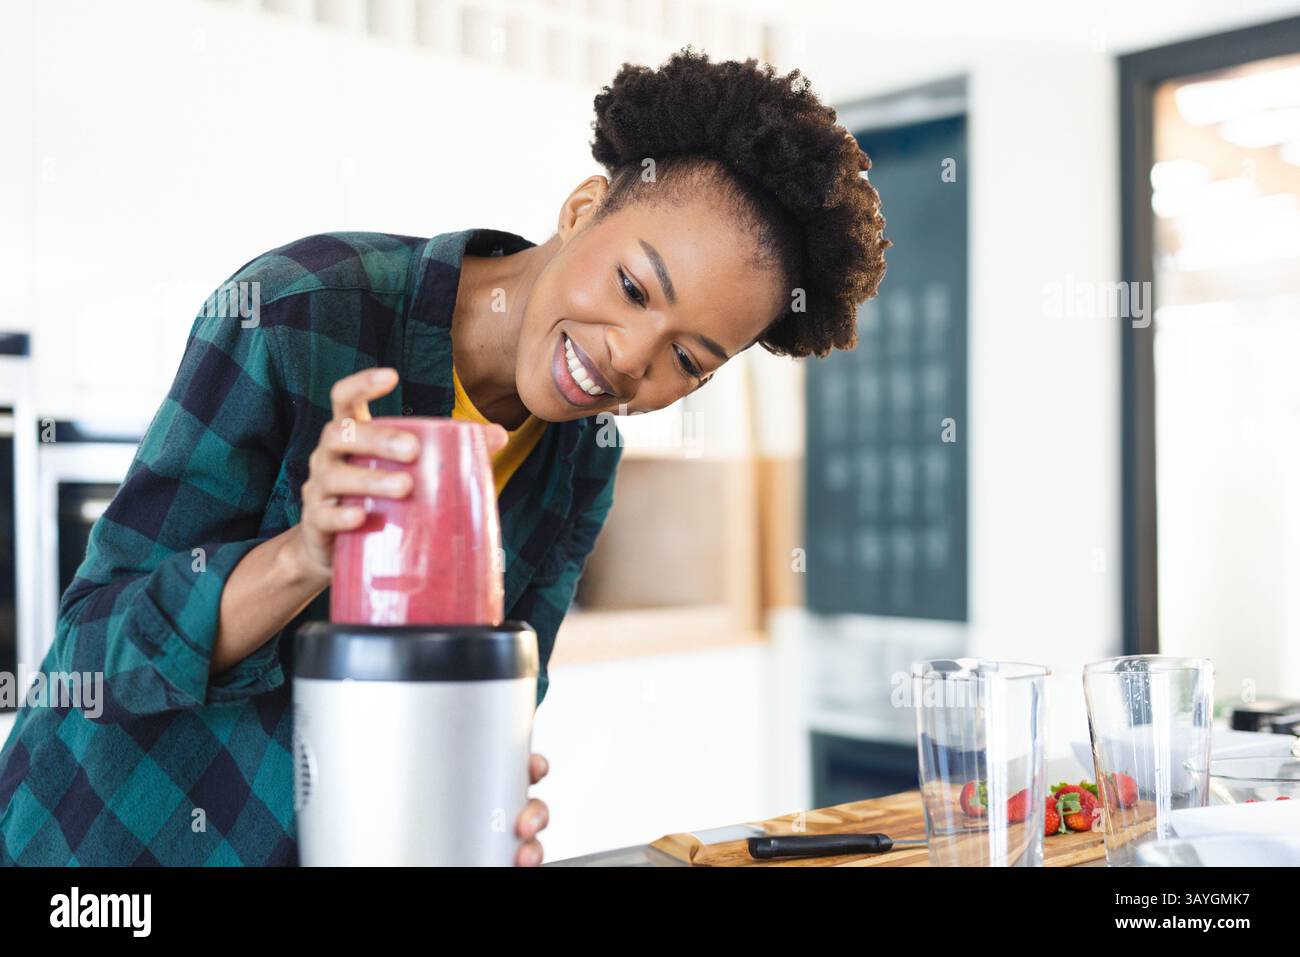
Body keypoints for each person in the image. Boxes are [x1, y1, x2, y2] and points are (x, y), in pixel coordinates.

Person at [0, 47, 888, 866]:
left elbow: (492, 696)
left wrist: (482, 804)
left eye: (688, 359)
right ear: (582, 209)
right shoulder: (297, 313)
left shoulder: (584, 456)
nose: (629, 356)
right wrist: (307, 553)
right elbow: (90, 654)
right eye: (631, 287)